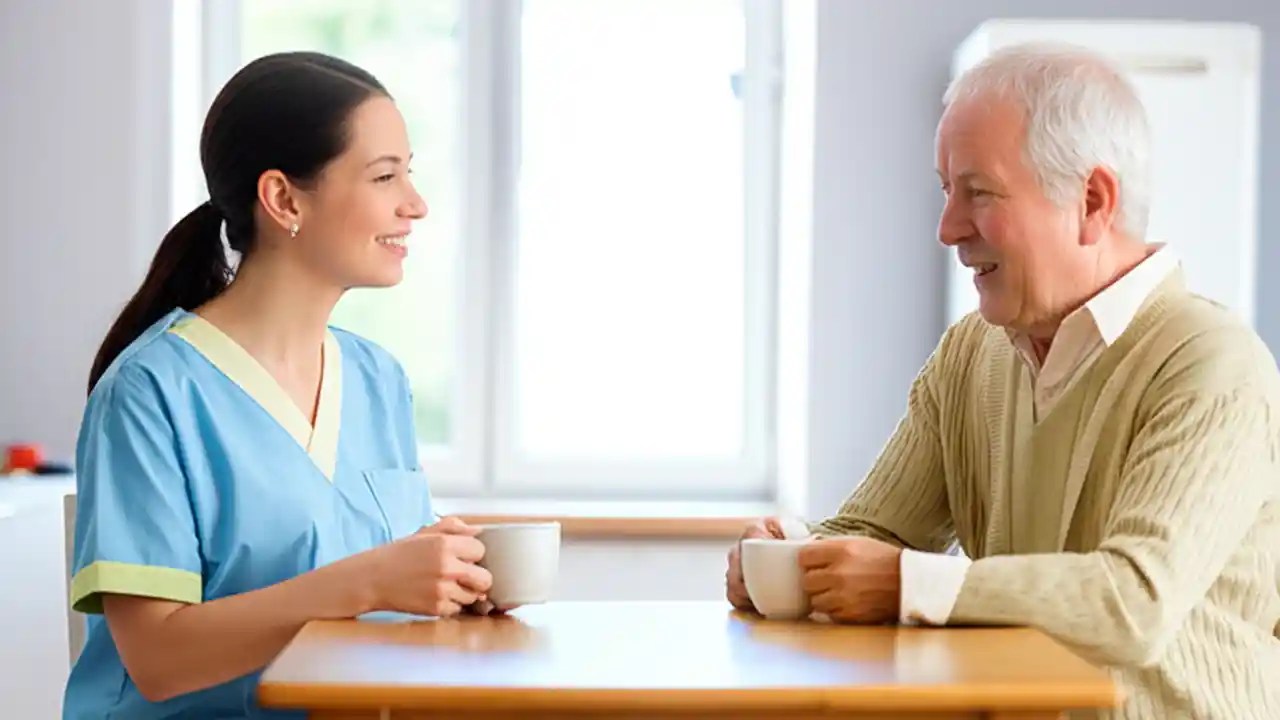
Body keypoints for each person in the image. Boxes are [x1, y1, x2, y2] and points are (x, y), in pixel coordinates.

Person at [726, 43, 1279, 719]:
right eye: (945, 190)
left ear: (1092, 202)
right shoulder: (970, 354)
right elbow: (876, 537)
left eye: (979, 192)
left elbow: (1134, 602)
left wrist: (907, 585)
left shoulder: (1211, 364)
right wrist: (786, 560)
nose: (947, 228)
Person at [65, 52, 496, 719]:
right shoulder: (151, 394)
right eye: (385, 176)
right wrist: (371, 580)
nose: (416, 205)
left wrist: (446, 581)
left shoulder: (379, 379)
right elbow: (157, 658)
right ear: (284, 199)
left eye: (408, 174)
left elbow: (378, 601)